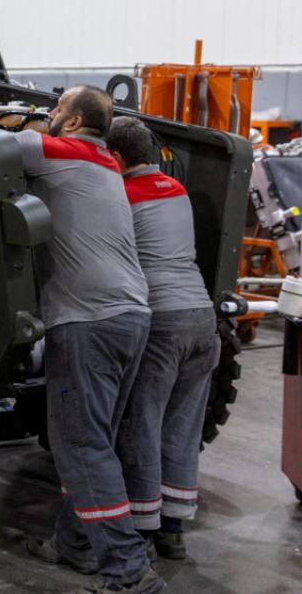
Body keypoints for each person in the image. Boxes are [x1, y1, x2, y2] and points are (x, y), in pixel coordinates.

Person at [0, 86, 160, 593]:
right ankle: (74, 545)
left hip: (88, 321)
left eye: (56, 110)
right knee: (97, 444)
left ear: (73, 122)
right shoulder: (105, 165)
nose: (48, 117)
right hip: (132, 316)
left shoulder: (58, 151)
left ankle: (129, 570)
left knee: (82, 447)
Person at [105, 116, 220, 560]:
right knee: (182, 427)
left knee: (143, 423)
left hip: (162, 321)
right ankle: (173, 529)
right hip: (201, 318)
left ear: (116, 158)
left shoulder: (122, 195)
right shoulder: (177, 192)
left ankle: (142, 528)